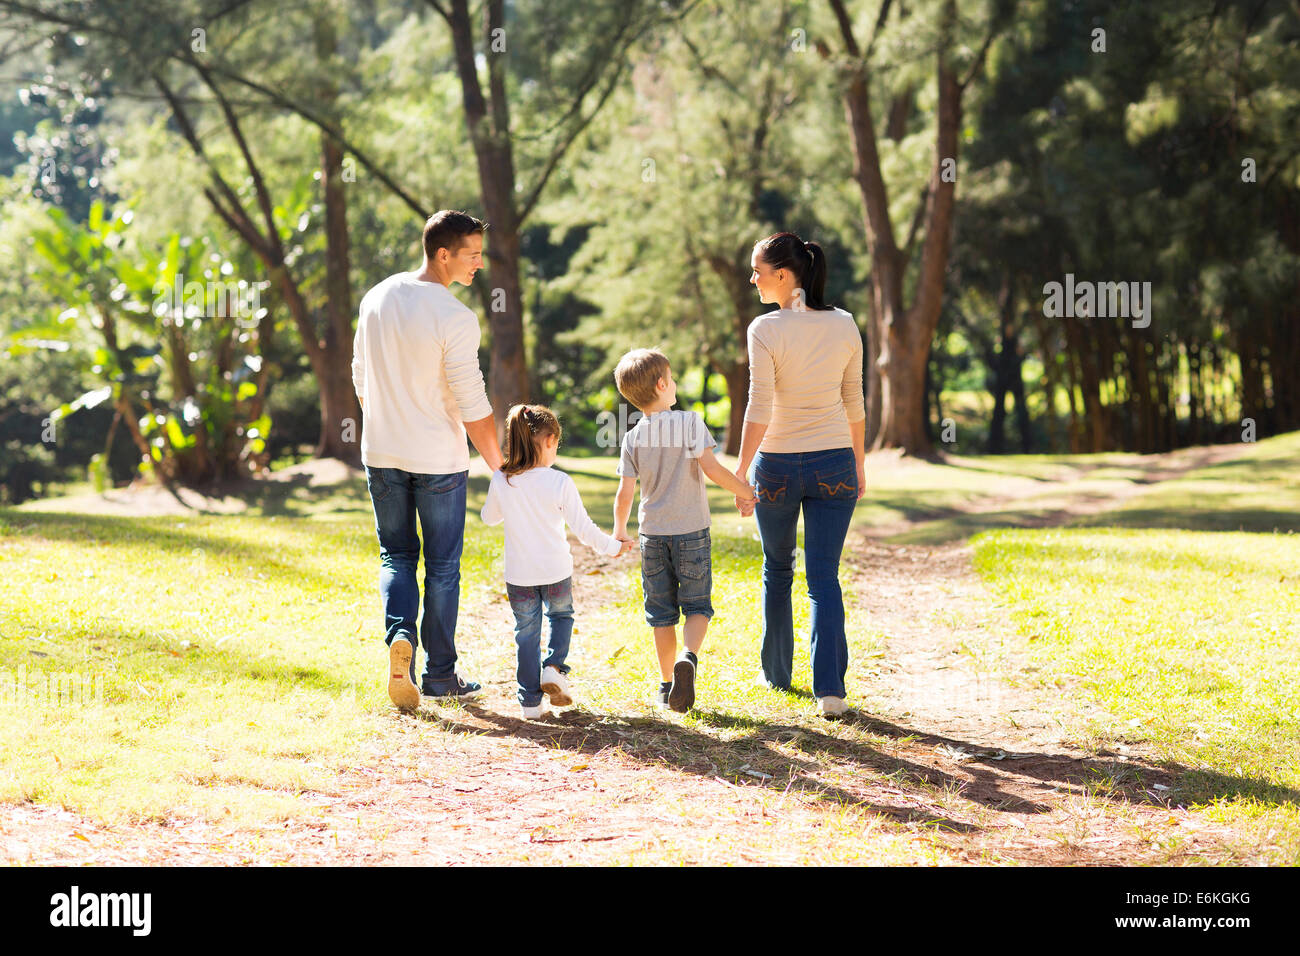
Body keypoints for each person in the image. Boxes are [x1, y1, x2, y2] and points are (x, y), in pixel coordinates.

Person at [352, 210, 503, 713]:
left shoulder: (376, 297)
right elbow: (472, 402)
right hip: (438, 459)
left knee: (396, 556)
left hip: (381, 452)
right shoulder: (454, 316)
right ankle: (439, 677)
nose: (480, 263)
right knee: (442, 567)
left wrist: (385, 421)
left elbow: (360, 375)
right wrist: (500, 467)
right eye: (473, 254)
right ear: (444, 254)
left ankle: (401, 641)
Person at [732, 232, 867, 718]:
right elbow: (854, 399)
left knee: (777, 569)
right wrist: (859, 463)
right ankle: (830, 691)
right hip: (835, 463)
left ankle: (776, 675)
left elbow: (760, 404)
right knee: (824, 577)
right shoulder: (846, 324)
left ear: (784, 276)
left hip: (780, 466)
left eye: (758, 271)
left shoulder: (765, 329)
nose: (752, 279)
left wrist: (741, 469)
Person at [612, 349, 757, 712]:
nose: (675, 383)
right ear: (662, 385)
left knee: (661, 614)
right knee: (697, 605)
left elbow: (625, 492)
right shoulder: (690, 423)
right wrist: (746, 492)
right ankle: (688, 659)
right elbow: (712, 469)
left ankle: (665, 685)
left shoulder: (632, 437)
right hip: (692, 532)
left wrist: (619, 530)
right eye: (673, 378)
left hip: (652, 537)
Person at [481, 404, 635, 719]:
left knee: (526, 631)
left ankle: (529, 703)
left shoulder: (502, 480)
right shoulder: (559, 482)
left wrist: (502, 492)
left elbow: (489, 518)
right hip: (555, 571)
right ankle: (553, 668)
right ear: (550, 440)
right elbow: (584, 528)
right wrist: (612, 547)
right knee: (561, 617)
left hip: (519, 575)